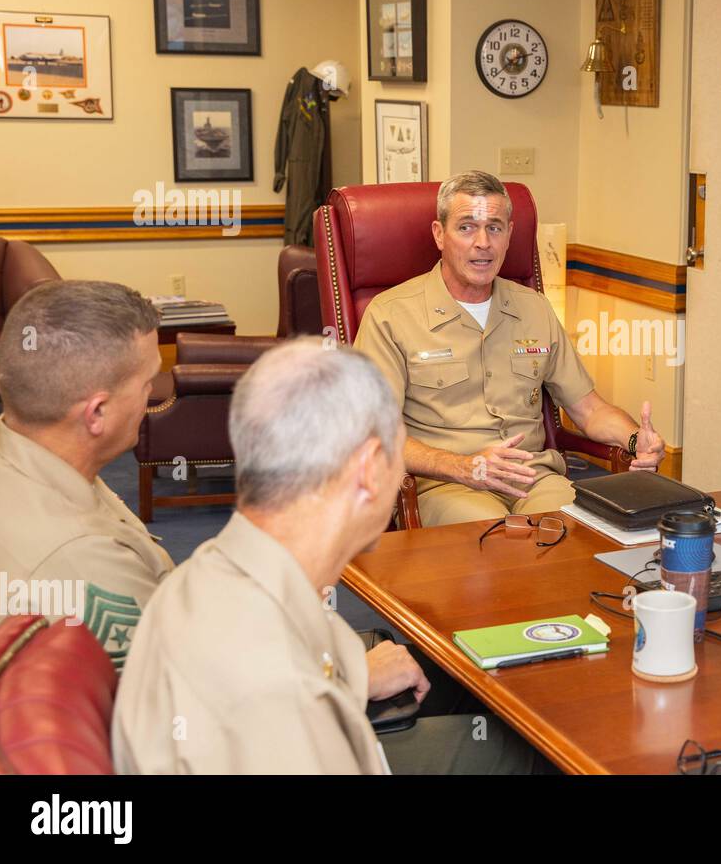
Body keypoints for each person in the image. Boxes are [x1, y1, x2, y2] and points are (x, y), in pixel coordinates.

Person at [111, 339, 547, 774]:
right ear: (369, 471)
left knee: (466, 681)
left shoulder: (219, 570)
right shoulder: (283, 694)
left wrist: (351, 675)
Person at [355, 169, 667, 526]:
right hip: (445, 485)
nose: (483, 242)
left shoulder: (534, 308)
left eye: (495, 227)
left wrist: (634, 440)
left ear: (509, 235)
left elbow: (589, 409)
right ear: (439, 234)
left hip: (534, 479)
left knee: (585, 534)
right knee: (495, 544)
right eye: (467, 227)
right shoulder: (391, 315)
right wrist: (463, 467)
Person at [0, 281, 173, 668]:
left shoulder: (1, 441)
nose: (151, 392)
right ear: (96, 413)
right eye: (146, 382)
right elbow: (177, 696)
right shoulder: (85, 565)